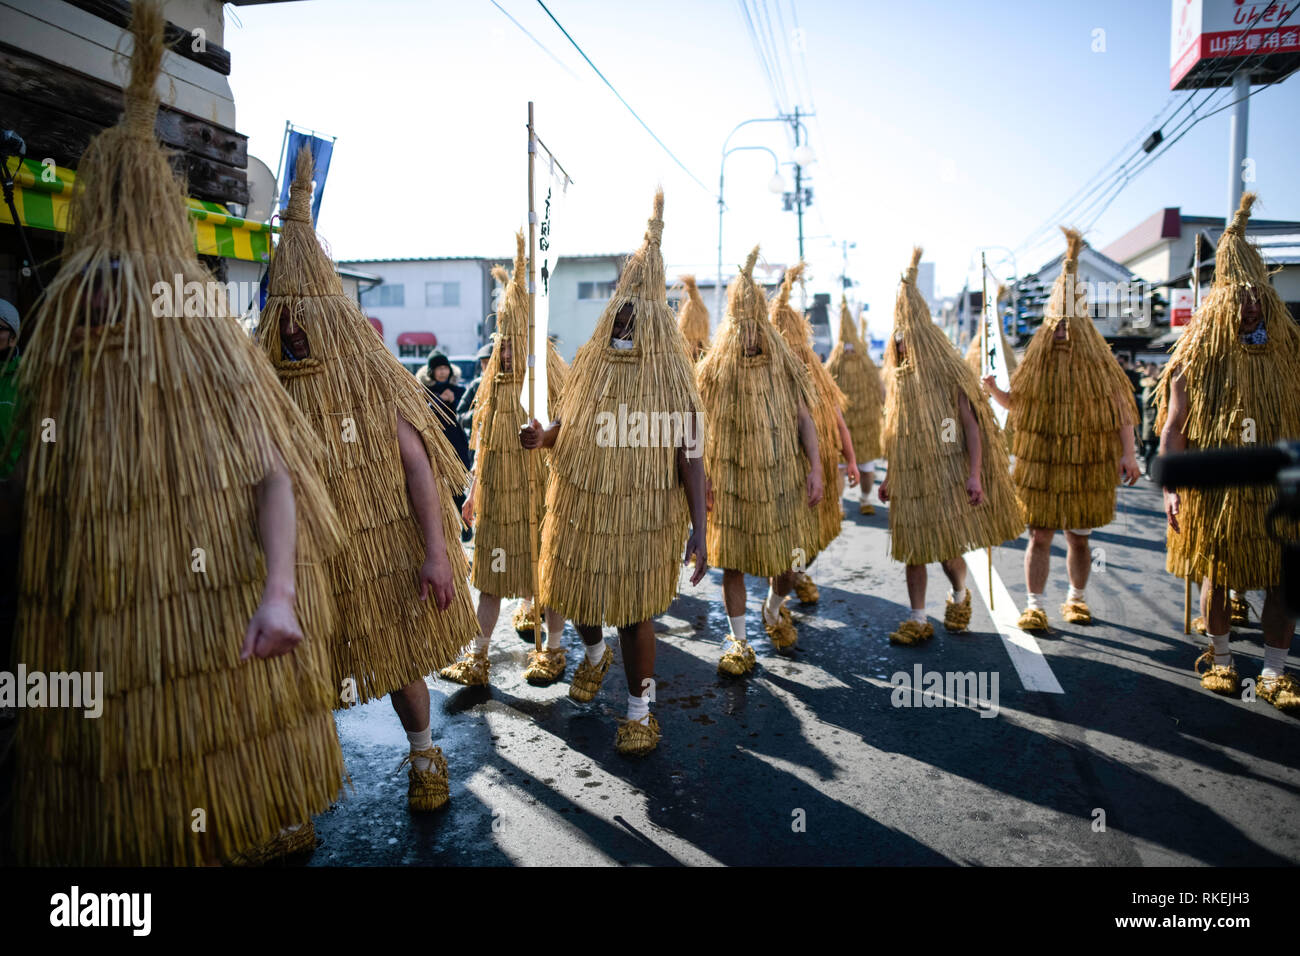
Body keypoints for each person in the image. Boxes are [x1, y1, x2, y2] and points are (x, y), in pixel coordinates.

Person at [12, 2, 345, 864]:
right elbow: (30, 493)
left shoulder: (200, 344)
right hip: (109, 651)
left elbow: (273, 474)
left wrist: (277, 592)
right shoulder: (60, 354)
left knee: (213, 802)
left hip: (206, 637)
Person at [259, 147, 480, 811]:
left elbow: (419, 464)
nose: (295, 333)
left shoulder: (372, 379)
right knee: (297, 678)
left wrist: (438, 556)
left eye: (303, 320)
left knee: (397, 663)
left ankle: (423, 756)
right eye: (285, 320)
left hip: (382, 552)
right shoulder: (261, 383)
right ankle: (293, 803)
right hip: (303, 564)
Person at [520, 190, 707, 756]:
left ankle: (639, 709)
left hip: (641, 520)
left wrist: (700, 528)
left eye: (633, 317)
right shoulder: (592, 367)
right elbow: (564, 423)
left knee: (633, 614)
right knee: (574, 598)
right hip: (584, 508)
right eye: (619, 316)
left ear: (652, 322)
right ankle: (593, 654)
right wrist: (542, 437)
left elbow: (691, 457)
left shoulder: (673, 378)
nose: (624, 324)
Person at [1158, 192, 1298, 714]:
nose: (1250, 305)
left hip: (1277, 488)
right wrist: (1173, 490)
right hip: (1217, 489)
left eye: (1257, 296)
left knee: (1281, 576)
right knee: (1217, 570)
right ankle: (1220, 658)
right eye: (1240, 297)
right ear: (1222, 301)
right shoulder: (1194, 360)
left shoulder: (1290, 357)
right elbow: (1175, 429)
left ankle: (1274, 671)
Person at [983, 228, 1140, 631]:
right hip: (1044, 465)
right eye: (1058, 328)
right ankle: (1034, 604)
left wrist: (1128, 454)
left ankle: (1076, 598)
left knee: (1078, 537)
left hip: (1086, 464)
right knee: (1039, 535)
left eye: (1069, 327)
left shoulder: (1099, 364)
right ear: (1050, 327)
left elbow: (1122, 408)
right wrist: (995, 391)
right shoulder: (1036, 362)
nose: (1063, 334)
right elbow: (1018, 404)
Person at [442, 231, 571, 686]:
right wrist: (473, 493)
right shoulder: (492, 386)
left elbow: (569, 428)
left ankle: (553, 650)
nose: (509, 350)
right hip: (499, 502)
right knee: (490, 581)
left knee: (548, 580)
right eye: (504, 341)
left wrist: (547, 436)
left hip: (538, 500)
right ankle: (478, 658)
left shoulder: (547, 377)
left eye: (515, 341)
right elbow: (483, 447)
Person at [879, 248, 1022, 645]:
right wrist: (891, 474)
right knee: (912, 550)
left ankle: (959, 593)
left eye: (907, 340)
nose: (903, 347)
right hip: (909, 477)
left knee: (945, 551)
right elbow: (895, 433)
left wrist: (974, 474)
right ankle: (918, 618)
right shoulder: (897, 382)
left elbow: (971, 427)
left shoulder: (948, 375)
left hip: (945, 475)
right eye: (898, 342)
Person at [697, 249, 822, 672]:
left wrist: (817, 469)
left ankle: (772, 608)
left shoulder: (785, 365)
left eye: (755, 327)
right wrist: (705, 481)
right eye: (742, 328)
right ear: (732, 328)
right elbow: (697, 430)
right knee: (731, 563)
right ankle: (739, 641)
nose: (750, 336)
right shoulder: (713, 370)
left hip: (782, 481)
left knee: (787, 565)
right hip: (730, 482)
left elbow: (805, 419)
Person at [770, 264, 858, 605]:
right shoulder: (768, 373)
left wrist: (849, 458)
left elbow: (837, 419)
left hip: (821, 469)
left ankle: (796, 575)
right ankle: (776, 600)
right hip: (785, 473)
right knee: (793, 541)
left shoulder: (815, 371)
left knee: (819, 537)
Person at [828, 295, 884, 515]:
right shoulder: (833, 367)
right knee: (840, 468)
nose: (849, 353)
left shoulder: (868, 366)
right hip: (841, 425)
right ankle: (839, 503)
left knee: (867, 468)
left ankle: (865, 498)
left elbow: (881, 390)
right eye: (846, 349)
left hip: (867, 428)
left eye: (853, 349)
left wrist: (886, 412)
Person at [676, 274, 710, 360]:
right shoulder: (677, 360)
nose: (695, 350)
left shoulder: (709, 361)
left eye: (699, 344)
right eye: (690, 343)